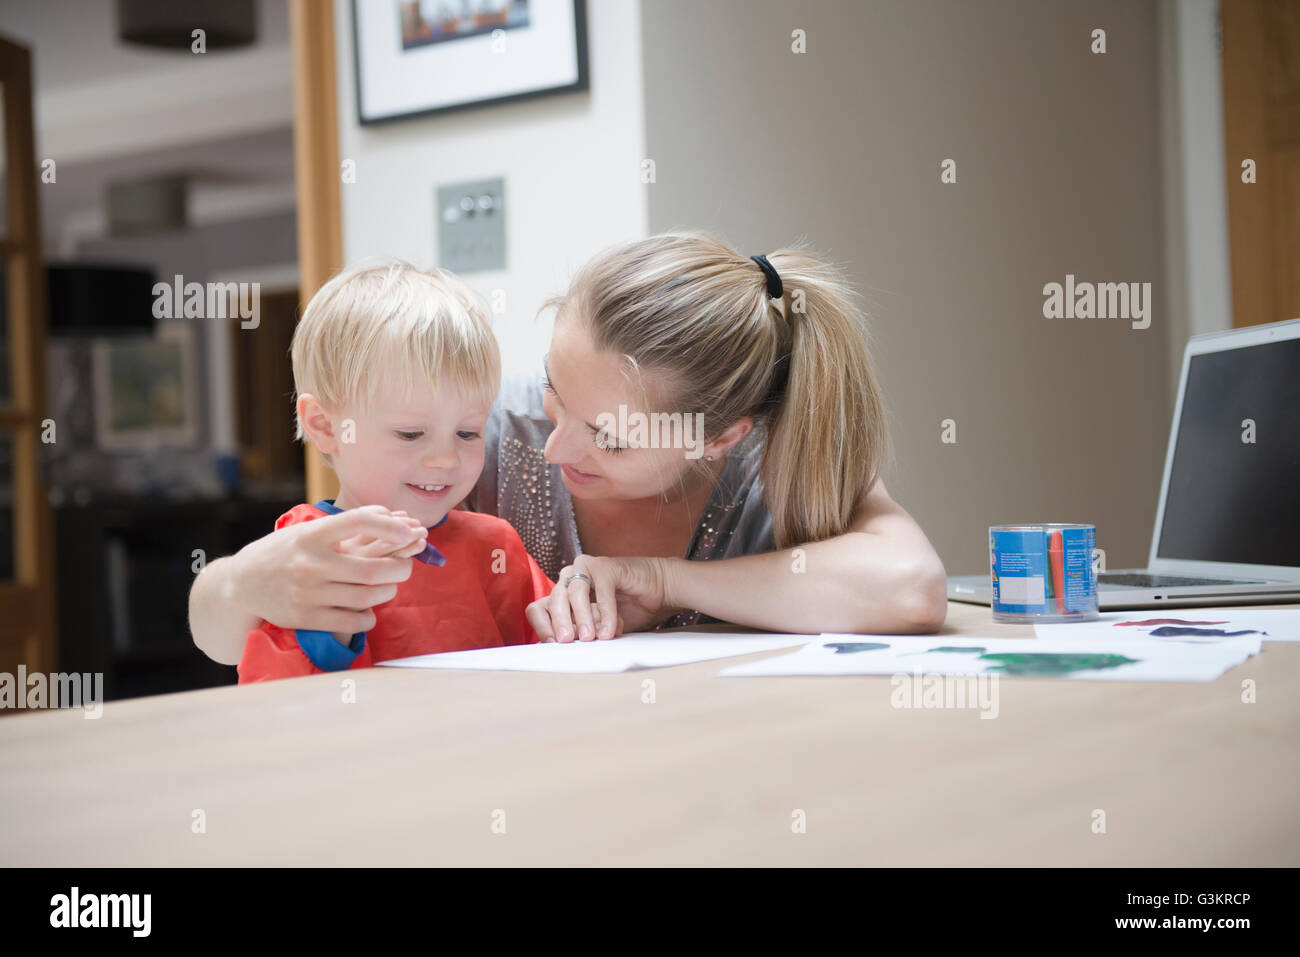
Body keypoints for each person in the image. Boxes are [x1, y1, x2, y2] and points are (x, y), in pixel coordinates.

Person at [191, 231, 947, 668]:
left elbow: (910, 587)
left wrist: (663, 579)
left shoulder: (774, 459)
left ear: (720, 437)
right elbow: (219, 625)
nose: (553, 443)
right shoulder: (465, 441)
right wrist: (238, 584)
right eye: (556, 389)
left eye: (609, 437)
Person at [236, 261, 553, 682]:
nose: (445, 459)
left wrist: (576, 613)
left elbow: (556, 659)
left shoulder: (496, 546)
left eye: (468, 432)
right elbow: (271, 700)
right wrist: (332, 629)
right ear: (325, 427)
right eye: (410, 434)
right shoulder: (308, 549)